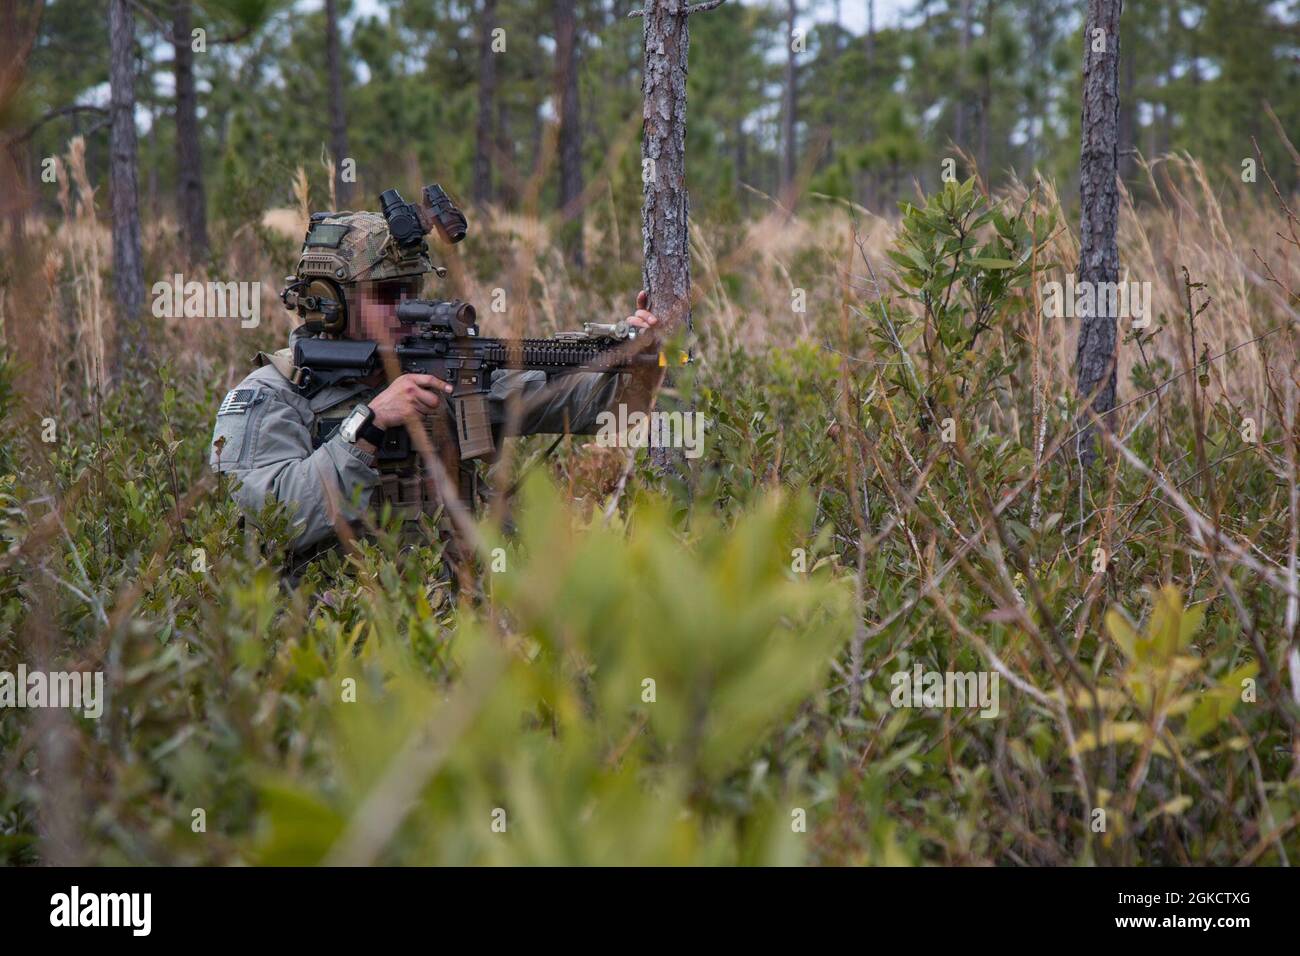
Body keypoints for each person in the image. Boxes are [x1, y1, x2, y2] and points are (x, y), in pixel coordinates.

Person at [209, 199, 657, 578]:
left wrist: (635, 359)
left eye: (413, 289)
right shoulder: (273, 395)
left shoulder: (447, 373)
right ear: (330, 302)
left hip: (448, 628)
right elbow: (276, 521)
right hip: (329, 633)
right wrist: (368, 425)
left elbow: (591, 405)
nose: (408, 308)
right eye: (387, 295)